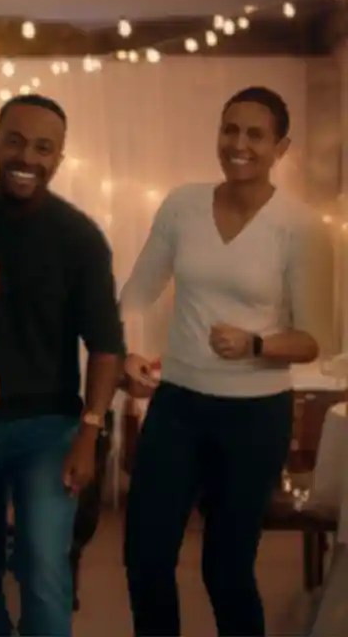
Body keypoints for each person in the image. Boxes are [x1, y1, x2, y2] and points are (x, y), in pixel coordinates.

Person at [120, 86, 333, 637]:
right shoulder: (182, 205)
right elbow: (138, 293)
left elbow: (314, 340)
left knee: (226, 569)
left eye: (254, 134)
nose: (238, 144)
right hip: (178, 406)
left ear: (281, 147)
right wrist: (131, 350)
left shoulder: (301, 227)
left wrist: (257, 345)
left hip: (255, 417)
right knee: (145, 558)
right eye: (229, 130)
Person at [0, 94, 125, 637]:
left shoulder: (80, 237)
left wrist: (89, 434)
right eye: (16, 141)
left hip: (49, 430)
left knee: (45, 569)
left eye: (44, 148)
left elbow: (107, 347)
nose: (28, 156)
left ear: (59, 158)